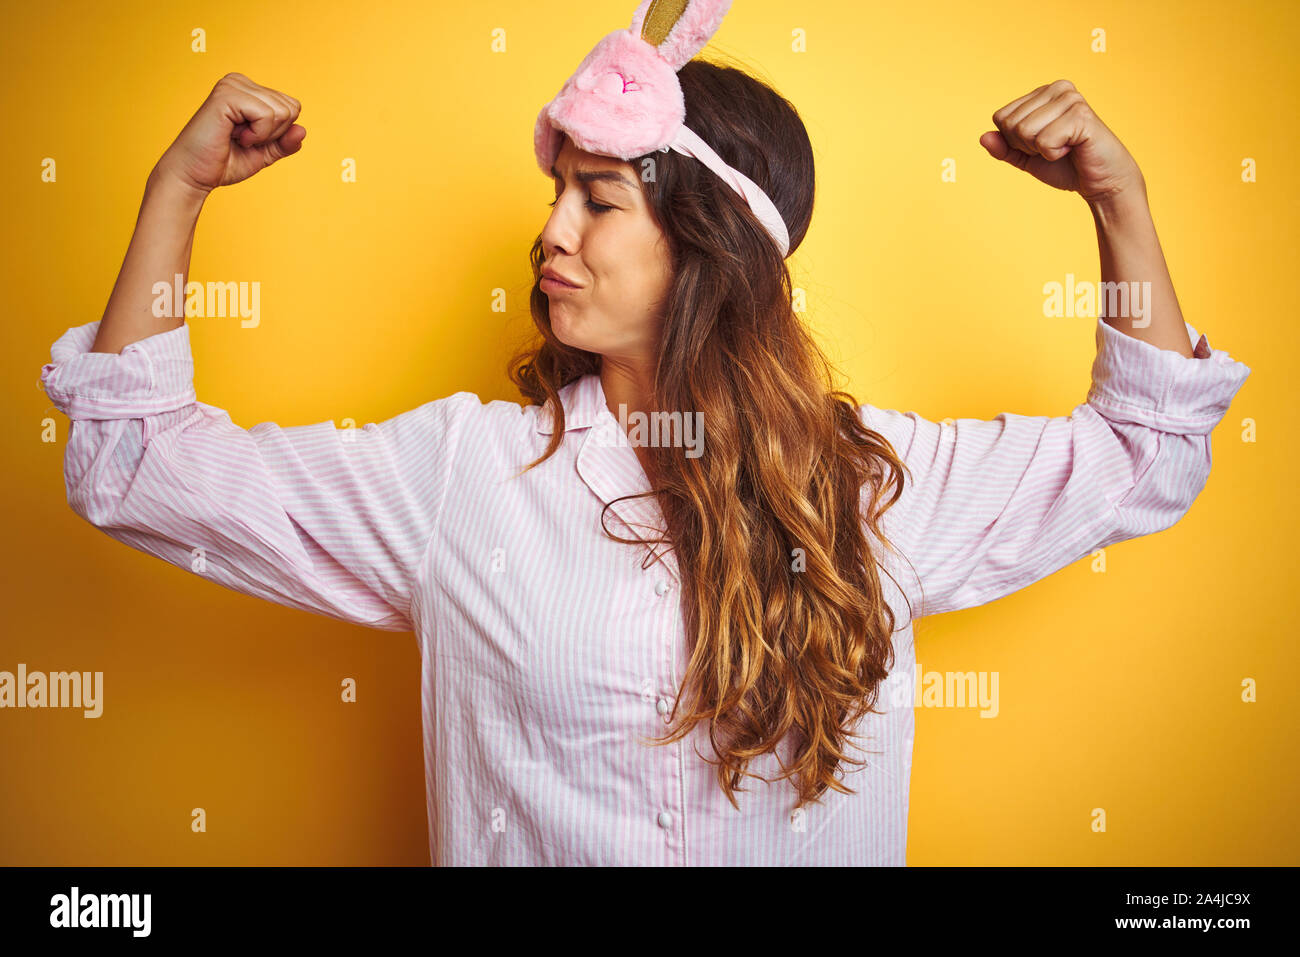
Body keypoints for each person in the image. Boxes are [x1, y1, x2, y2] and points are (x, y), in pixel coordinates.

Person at [39, 1, 1250, 865]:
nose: (551, 234)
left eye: (598, 199)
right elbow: (135, 461)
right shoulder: (464, 477)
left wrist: (1116, 199)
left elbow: (1147, 448)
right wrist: (175, 192)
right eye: (553, 193)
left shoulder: (872, 486)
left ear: (710, 247)